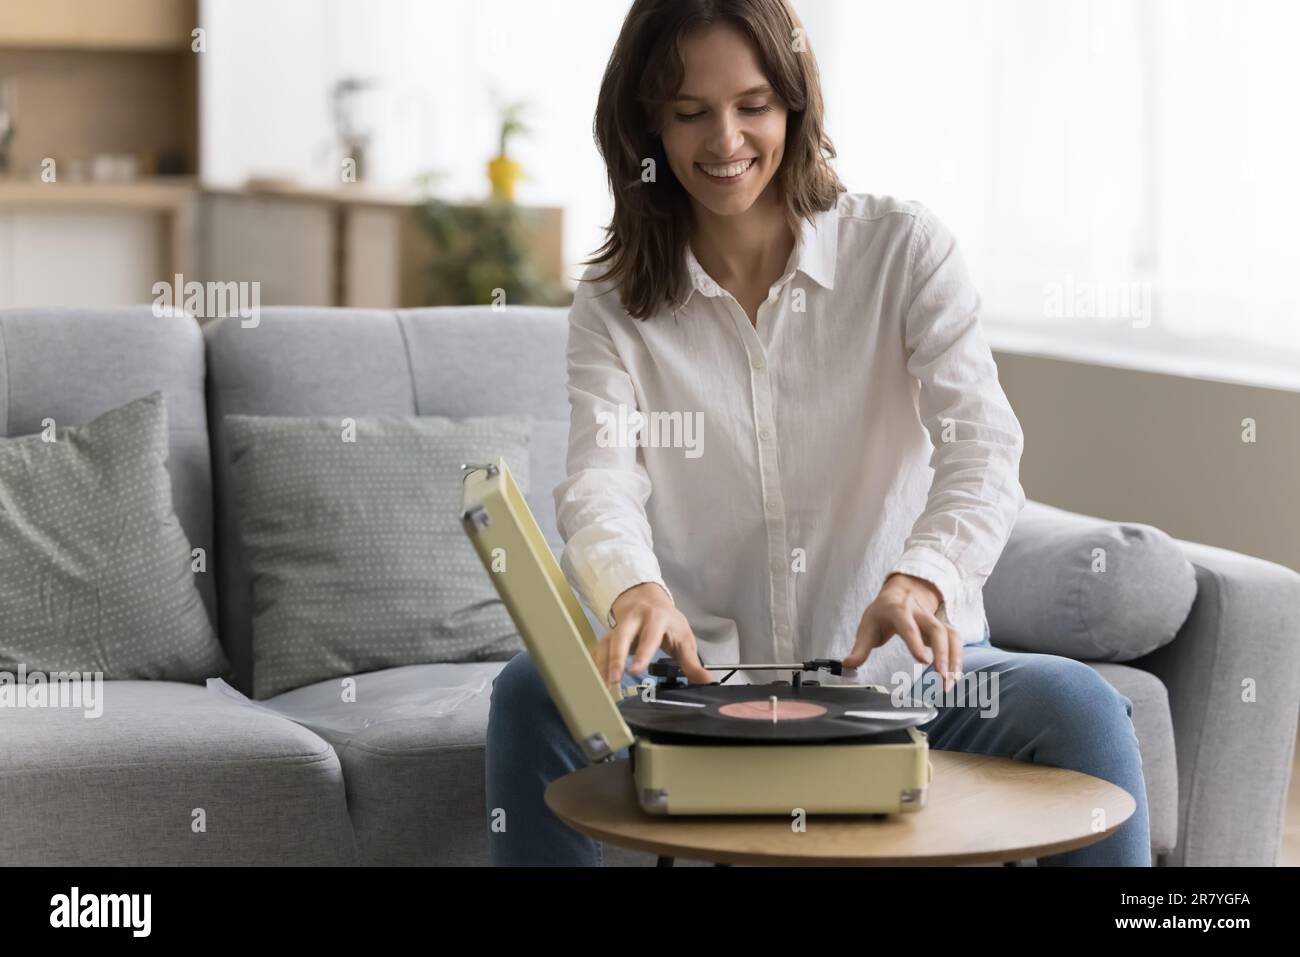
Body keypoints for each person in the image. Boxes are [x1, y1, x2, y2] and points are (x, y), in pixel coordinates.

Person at [486, 0, 1150, 866]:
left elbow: (983, 448)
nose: (725, 140)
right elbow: (600, 482)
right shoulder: (614, 300)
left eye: (752, 105)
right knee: (530, 691)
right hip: (699, 684)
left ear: (795, 105)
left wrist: (922, 581)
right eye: (689, 112)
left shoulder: (905, 251)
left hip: (905, 680)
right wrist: (635, 593)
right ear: (646, 122)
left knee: (1085, 709)